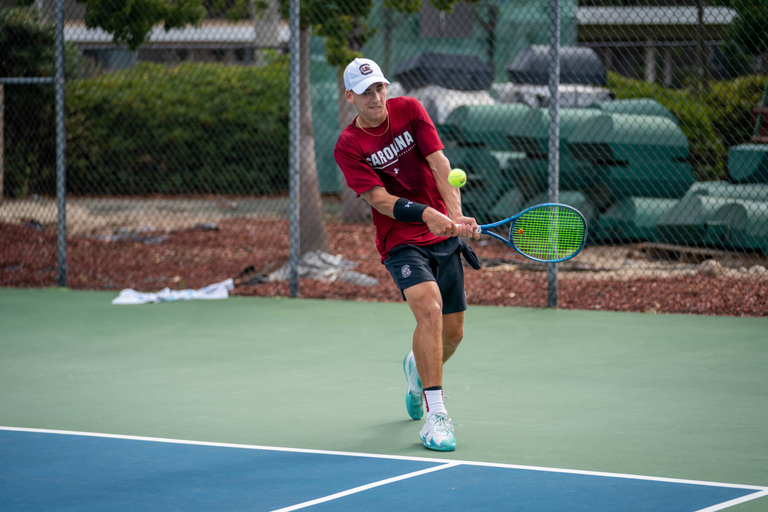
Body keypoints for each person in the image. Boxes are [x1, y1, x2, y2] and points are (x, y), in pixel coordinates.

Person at [334, 57, 480, 452]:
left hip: (442, 235)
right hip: (401, 239)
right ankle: (435, 416)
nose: (376, 97)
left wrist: (454, 214)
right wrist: (425, 214)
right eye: (366, 92)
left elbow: (440, 164)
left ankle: (417, 370)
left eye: (380, 88)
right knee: (429, 310)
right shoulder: (349, 145)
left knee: (453, 334)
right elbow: (380, 200)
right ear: (351, 96)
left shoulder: (411, 109)